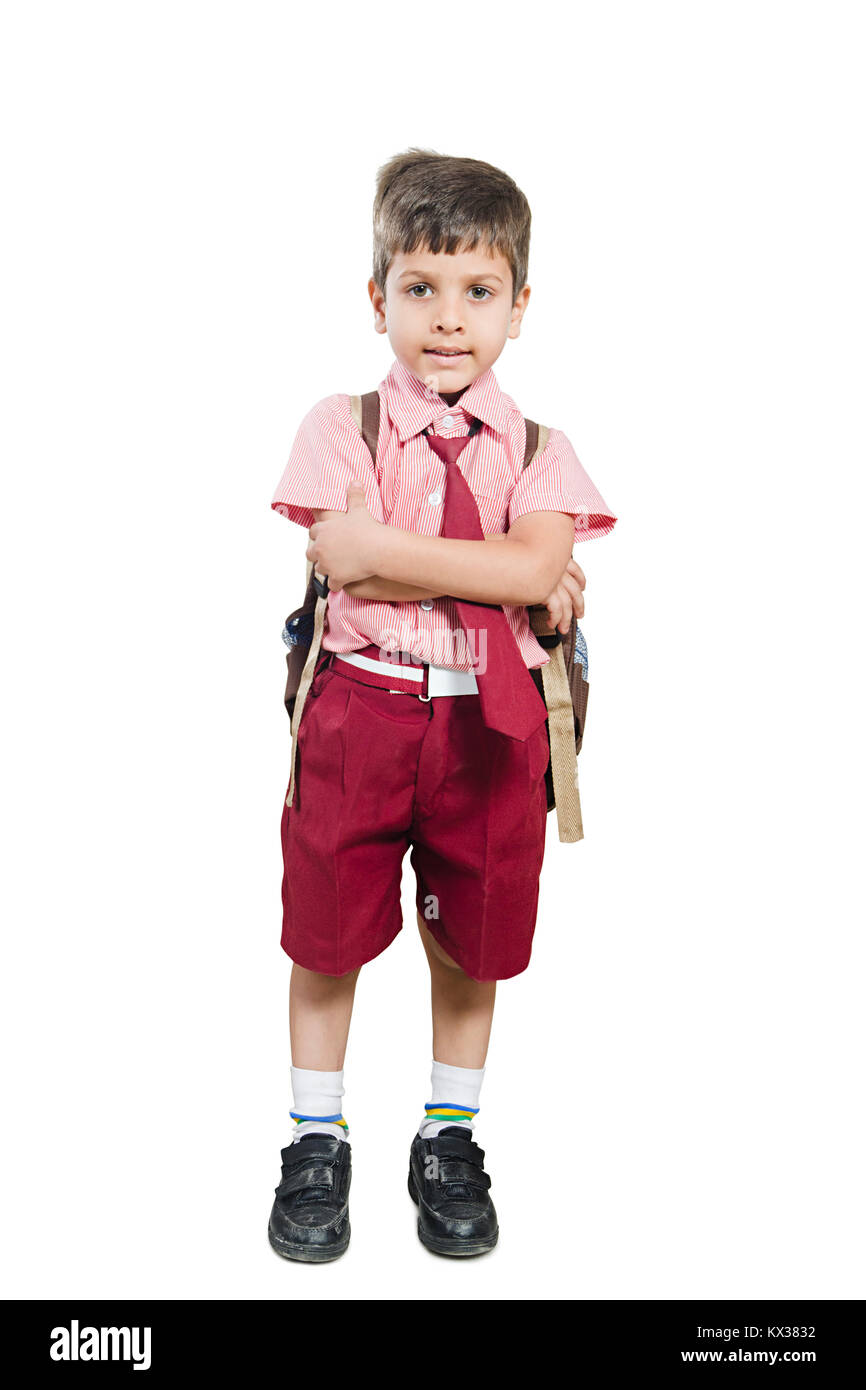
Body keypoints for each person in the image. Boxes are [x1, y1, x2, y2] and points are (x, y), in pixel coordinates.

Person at [267, 148, 617, 1261]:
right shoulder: (343, 424)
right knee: (326, 930)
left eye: (478, 290)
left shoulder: (543, 451)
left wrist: (388, 555)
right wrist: (502, 572)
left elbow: (521, 567)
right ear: (378, 299)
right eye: (419, 287)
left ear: (520, 306)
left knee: (473, 937)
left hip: (490, 724)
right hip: (360, 713)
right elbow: (364, 562)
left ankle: (448, 1133)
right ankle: (315, 1138)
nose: (449, 318)